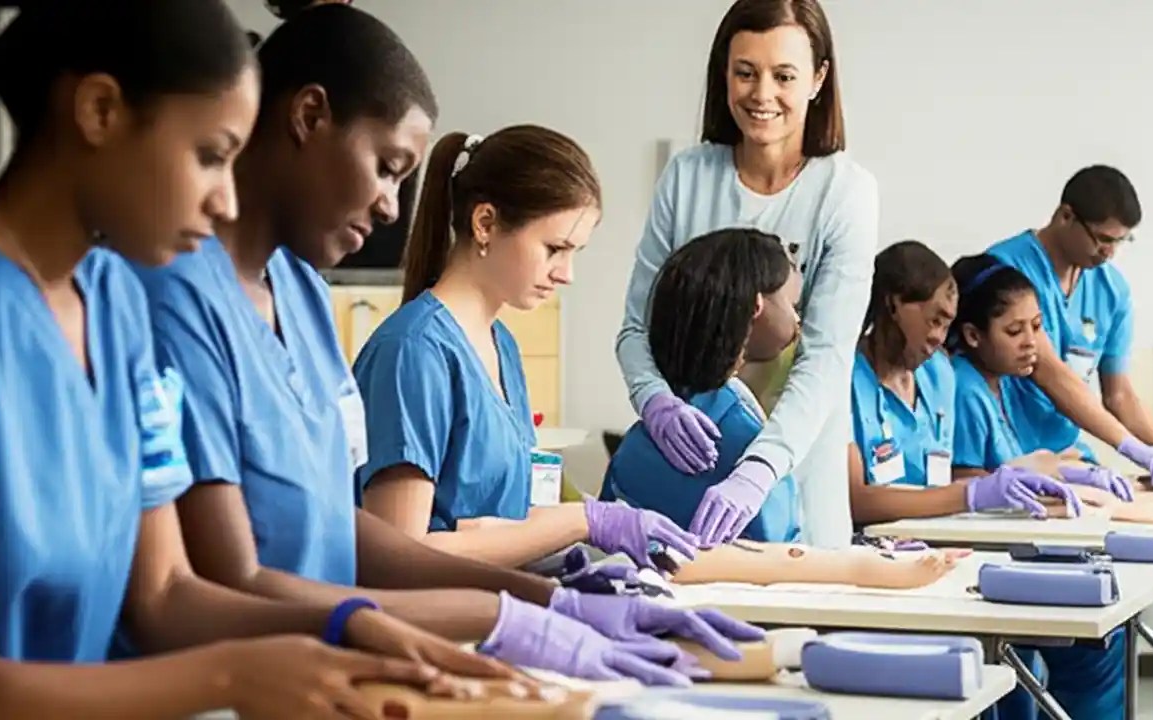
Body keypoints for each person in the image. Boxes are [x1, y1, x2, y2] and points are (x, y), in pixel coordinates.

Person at [0, 1, 524, 717]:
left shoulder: (113, 301)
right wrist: (234, 675)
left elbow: (165, 593)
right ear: (101, 111)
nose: (226, 198)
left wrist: (351, 625)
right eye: (209, 156)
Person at [135, 5, 752, 687]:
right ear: (308, 117)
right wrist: (514, 608)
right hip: (273, 669)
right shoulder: (175, 300)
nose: (391, 207)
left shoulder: (301, 291)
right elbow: (234, 577)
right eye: (387, 168)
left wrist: (550, 596)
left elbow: (345, 529)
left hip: (342, 659)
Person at [352, 125, 729, 577]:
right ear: (485, 223)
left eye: (574, 253)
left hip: (500, 599)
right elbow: (396, 557)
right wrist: (580, 522)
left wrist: (587, 539)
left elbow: (509, 519)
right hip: (432, 615)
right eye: (555, 249)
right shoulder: (413, 354)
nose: (566, 273)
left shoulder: (502, 346)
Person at [615, 0, 878, 549]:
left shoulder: (844, 192)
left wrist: (759, 470)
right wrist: (655, 401)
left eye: (784, 76)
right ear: (723, 74)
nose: (762, 94)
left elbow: (827, 357)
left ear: (818, 79)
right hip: (687, 469)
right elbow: (637, 328)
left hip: (795, 477)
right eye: (745, 72)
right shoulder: (687, 178)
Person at [847, 242, 1082, 527]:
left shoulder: (938, 373)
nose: (938, 337)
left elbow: (940, 481)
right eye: (934, 321)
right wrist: (969, 494)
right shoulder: (846, 379)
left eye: (946, 325)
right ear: (893, 304)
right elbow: (854, 501)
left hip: (937, 536)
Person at [987, 166, 1153, 490]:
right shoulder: (1005, 271)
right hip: (1007, 456)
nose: (1110, 253)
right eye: (1103, 239)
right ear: (1066, 216)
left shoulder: (1111, 290)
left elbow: (1119, 394)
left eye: (1120, 241)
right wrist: (1132, 448)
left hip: (1068, 453)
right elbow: (1048, 372)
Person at [603, 228, 804, 544]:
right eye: (793, 305)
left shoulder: (632, 450)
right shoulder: (746, 442)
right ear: (756, 306)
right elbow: (786, 556)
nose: (797, 321)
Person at [948, 254, 1133, 500]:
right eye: (1014, 331)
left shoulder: (1006, 383)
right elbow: (963, 480)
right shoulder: (966, 389)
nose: (1031, 342)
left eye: (1036, 326)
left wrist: (1064, 472)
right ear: (973, 335)